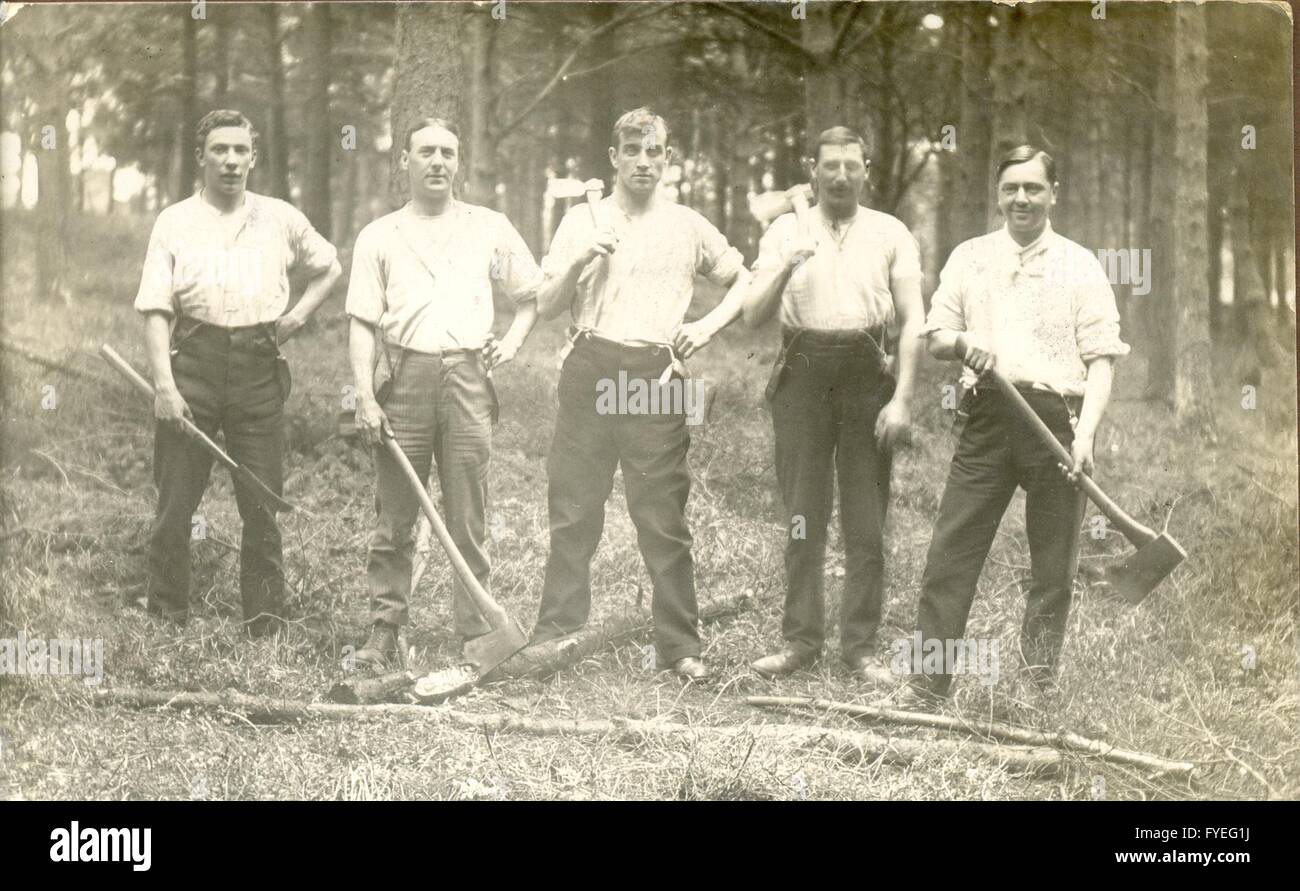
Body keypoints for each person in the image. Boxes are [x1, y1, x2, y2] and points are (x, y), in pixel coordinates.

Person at [530, 108, 751, 681]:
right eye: (633, 150)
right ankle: (557, 633)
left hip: (656, 373)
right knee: (574, 507)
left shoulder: (687, 224)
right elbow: (547, 305)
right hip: (592, 360)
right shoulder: (583, 219)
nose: (644, 162)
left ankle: (680, 645)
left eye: (655, 151)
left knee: (661, 515)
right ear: (614, 157)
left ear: (669, 158)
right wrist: (583, 256)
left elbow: (743, 279)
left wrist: (706, 327)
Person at [905, 144, 1129, 702]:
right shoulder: (971, 257)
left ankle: (1036, 690)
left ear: (1055, 192)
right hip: (988, 415)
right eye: (1011, 188)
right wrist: (964, 343)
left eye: (1033, 187)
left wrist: (1085, 438)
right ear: (998, 194)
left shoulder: (1081, 265)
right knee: (949, 555)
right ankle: (928, 686)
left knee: (1053, 570)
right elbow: (934, 337)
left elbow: (1101, 360)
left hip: (1057, 421)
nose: (1021, 199)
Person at [134, 109, 341, 636]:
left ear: (254, 158)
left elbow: (330, 265)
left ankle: (266, 625)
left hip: (258, 368)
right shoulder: (174, 221)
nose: (230, 161)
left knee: (263, 503)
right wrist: (165, 386)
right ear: (202, 156)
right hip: (193, 363)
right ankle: (166, 619)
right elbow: (156, 308)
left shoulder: (280, 218)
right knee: (175, 502)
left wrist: (294, 317)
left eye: (240, 151)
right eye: (220, 150)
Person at [347, 117, 541, 668]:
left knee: (467, 510)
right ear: (403, 161)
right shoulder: (380, 235)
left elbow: (530, 295)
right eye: (426, 151)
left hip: (467, 380)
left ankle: (478, 634)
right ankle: (385, 631)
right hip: (403, 380)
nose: (437, 162)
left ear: (460, 164)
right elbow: (362, 322)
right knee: (394, 516)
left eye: (448, 153)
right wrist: (364, 394)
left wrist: (512, 342)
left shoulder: (488, 227)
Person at [742, 126, 924, 682]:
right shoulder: (784, 231)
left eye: (852, 165)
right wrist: (786, 265)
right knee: (802, 514)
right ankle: (800, 641)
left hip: (867, 377)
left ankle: (860, 648)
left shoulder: (891, 232)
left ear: (867, 169)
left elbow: (913, 318)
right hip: (802, 373)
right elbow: (752, 315)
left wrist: (902, 399)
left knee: (866, 523)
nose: (841, 175)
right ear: (812, 170)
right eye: (831, 166)